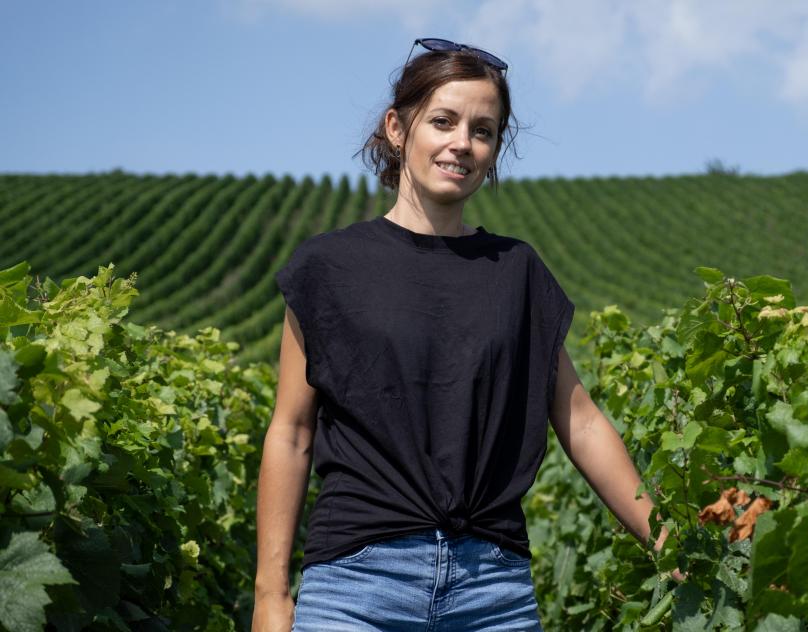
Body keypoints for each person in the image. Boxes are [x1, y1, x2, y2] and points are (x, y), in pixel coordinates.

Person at [252, 38, 678, 632]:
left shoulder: (517, 271)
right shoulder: (328, 268)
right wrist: (270, 596)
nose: (462, 143)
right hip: (355, 586)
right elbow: (292, 432)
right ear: (397, 128)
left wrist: (667, 542)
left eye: (483, 131)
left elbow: (580, 422)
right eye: (443, 121)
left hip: (492, 591)